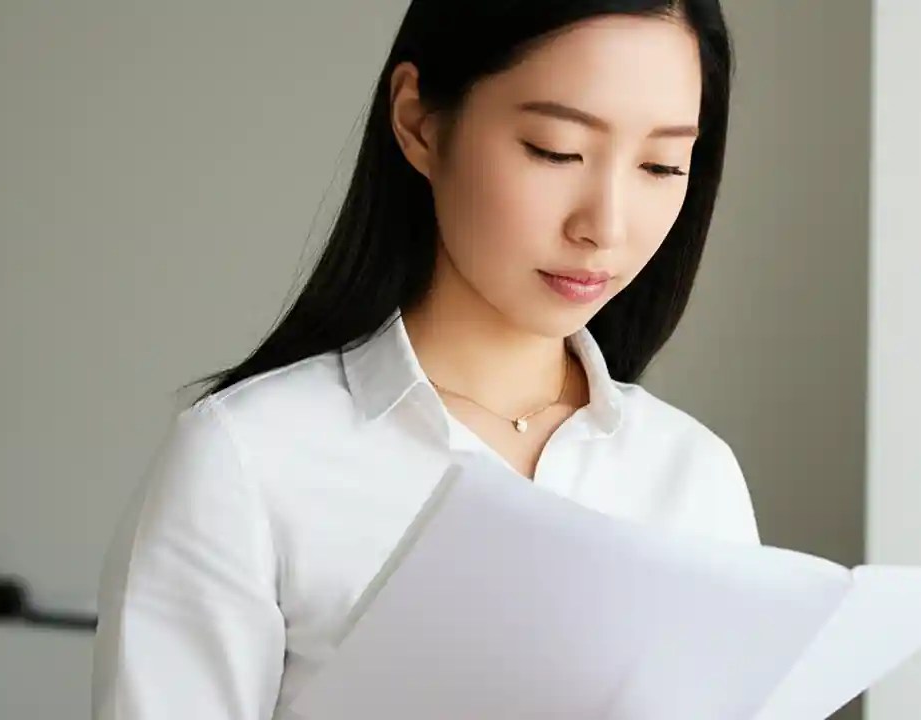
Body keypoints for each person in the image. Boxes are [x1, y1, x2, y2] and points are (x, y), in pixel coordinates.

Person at [91, 0, 760, 717]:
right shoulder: (250, 461)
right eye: (556, 150)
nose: (606, 225)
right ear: (419, 121)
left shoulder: (693, 477)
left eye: (661, 165)